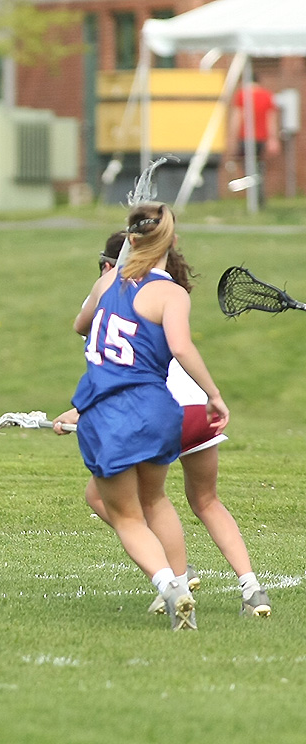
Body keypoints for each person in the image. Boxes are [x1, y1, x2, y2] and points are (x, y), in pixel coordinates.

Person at [56, 231, 271, 618]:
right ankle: (252, 588)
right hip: (197, 411)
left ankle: (174, 576)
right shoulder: (170, 291)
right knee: (206, 501)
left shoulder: (113, 293)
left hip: (156, 412)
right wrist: (213, 395)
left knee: (123, 502)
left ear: (114, 263)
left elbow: (116, 372)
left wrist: (80, 412)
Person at [228, 74, 280, 207]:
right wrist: (273, 139)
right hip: (262, 138)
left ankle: (254, 198)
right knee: (258, 166)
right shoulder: (267, 95)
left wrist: (232, 139)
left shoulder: (242, 95)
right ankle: (259, 198)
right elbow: (271, 120)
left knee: (248, 168)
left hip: (245, 137)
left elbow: (237, 118)